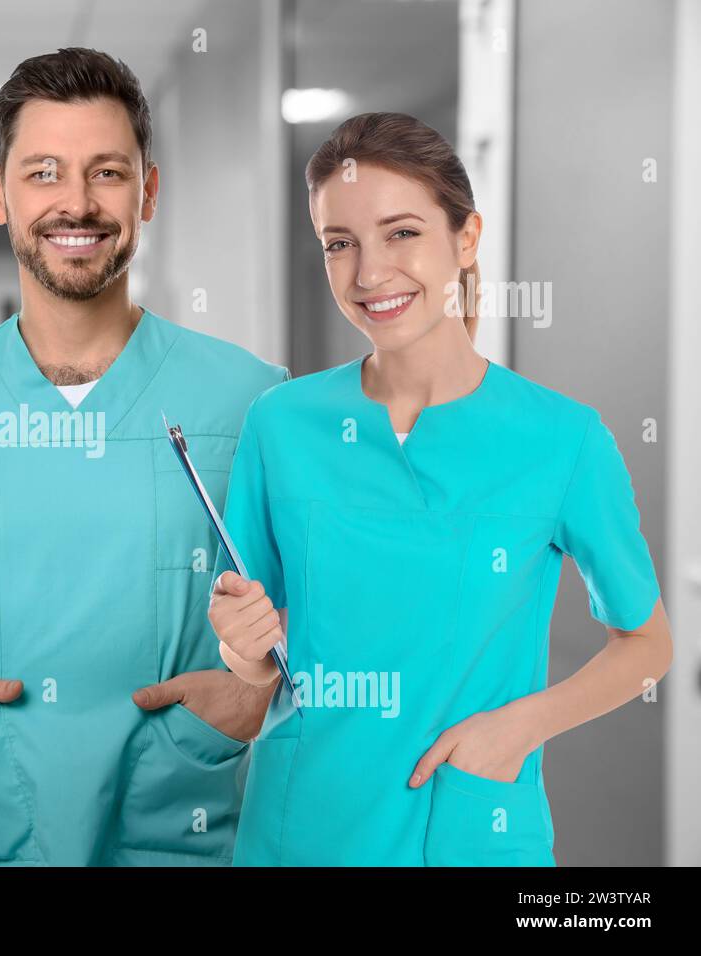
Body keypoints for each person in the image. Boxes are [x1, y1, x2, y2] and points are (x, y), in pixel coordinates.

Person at [209, 112, 673, 866]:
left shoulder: (561, 439)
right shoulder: (281, 425)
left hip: (467, 829)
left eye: (401, 234)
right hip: (300, 828)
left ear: (465, 239)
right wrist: (241, 646)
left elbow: (647, 643)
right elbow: (260, 656)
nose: (368, 274)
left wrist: (518, 728)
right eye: (340, 244)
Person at [0, 48, 289, 866]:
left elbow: (323, 611)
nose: (76, 203)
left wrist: (251, 693)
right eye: (43, 173)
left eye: (106, 173)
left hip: (178, 836)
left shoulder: (249, 399)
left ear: (149, 191)